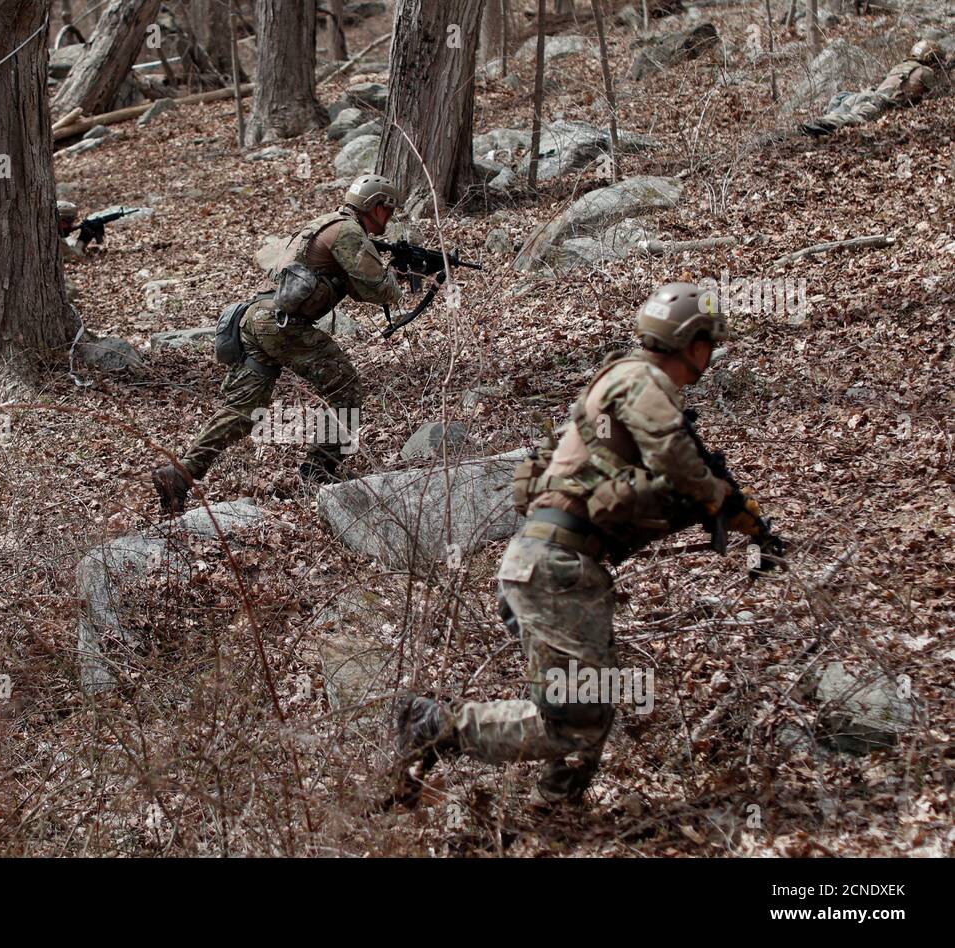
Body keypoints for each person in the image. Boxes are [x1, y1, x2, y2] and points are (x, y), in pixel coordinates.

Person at [390, 283, 782, 807]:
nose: (710, 354)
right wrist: (715, 499)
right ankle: (438, 726)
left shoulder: (617, 384)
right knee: (574, 720)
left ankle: (555, 810)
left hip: (548, 565)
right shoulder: (641, 379)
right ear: (693, 342)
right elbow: (672, 456)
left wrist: (745, 522)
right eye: (709, 342)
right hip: (554, 568)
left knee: (588, 706)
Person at [151, 174, 405, 514]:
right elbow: (378, 290)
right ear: (374, 207)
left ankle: (179, 474)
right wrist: (399, 277)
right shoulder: (348, 232)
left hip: (257, 319)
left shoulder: (326, 224)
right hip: (283, 326)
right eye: (388, 210)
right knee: (346, 388)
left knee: (241, 412)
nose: (389, 218)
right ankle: (319, 470)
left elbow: (354, 288)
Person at [801, 39, 950, 137]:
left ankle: (817, 123)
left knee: (841, 109)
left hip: (867, 95)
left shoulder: (903, 66)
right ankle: (820, 124)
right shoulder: (926, 72)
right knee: (855, 118)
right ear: (932, 58)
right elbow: (942, 91)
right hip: (880, 101)